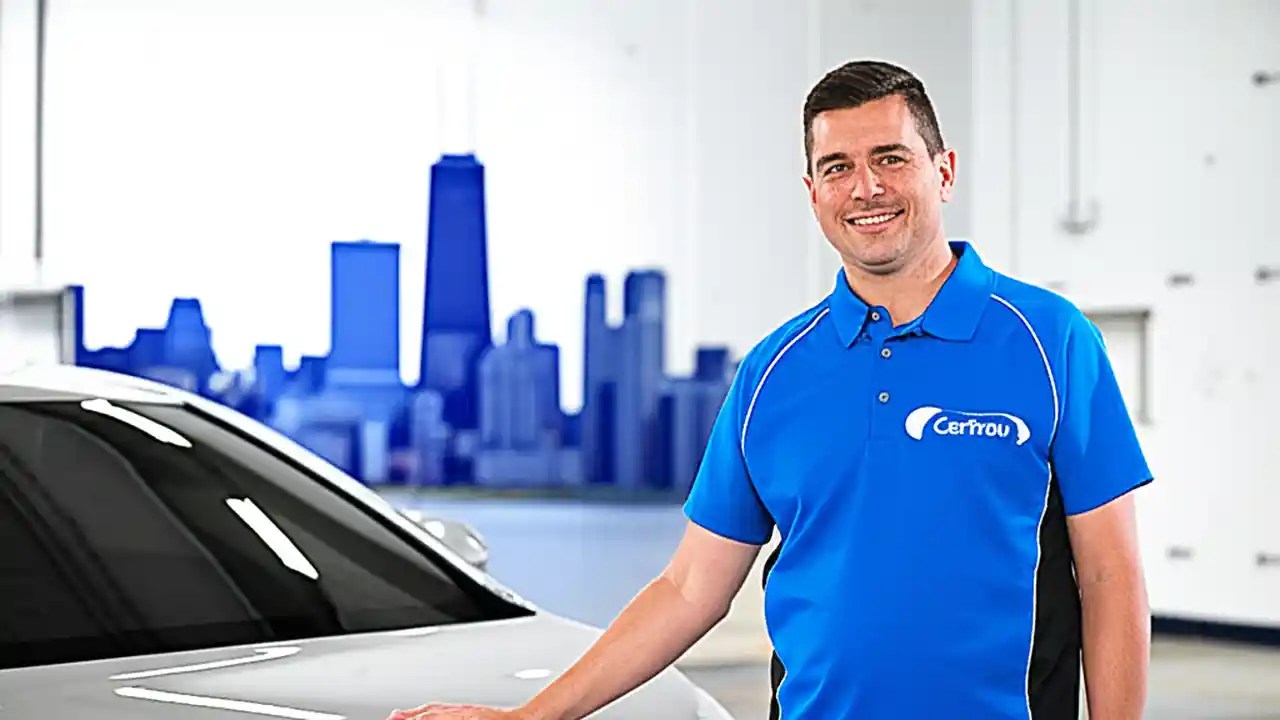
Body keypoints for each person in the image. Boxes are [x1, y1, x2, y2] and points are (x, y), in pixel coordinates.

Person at [388, 59, 1153, 720]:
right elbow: (690, 588)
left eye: (891, 158)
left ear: (943, 170)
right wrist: (535, 714)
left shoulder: (1049, 341)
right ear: (813, 191)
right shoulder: (772, 372)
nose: (866, 188)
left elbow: (1110, 576)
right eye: (838, 167)